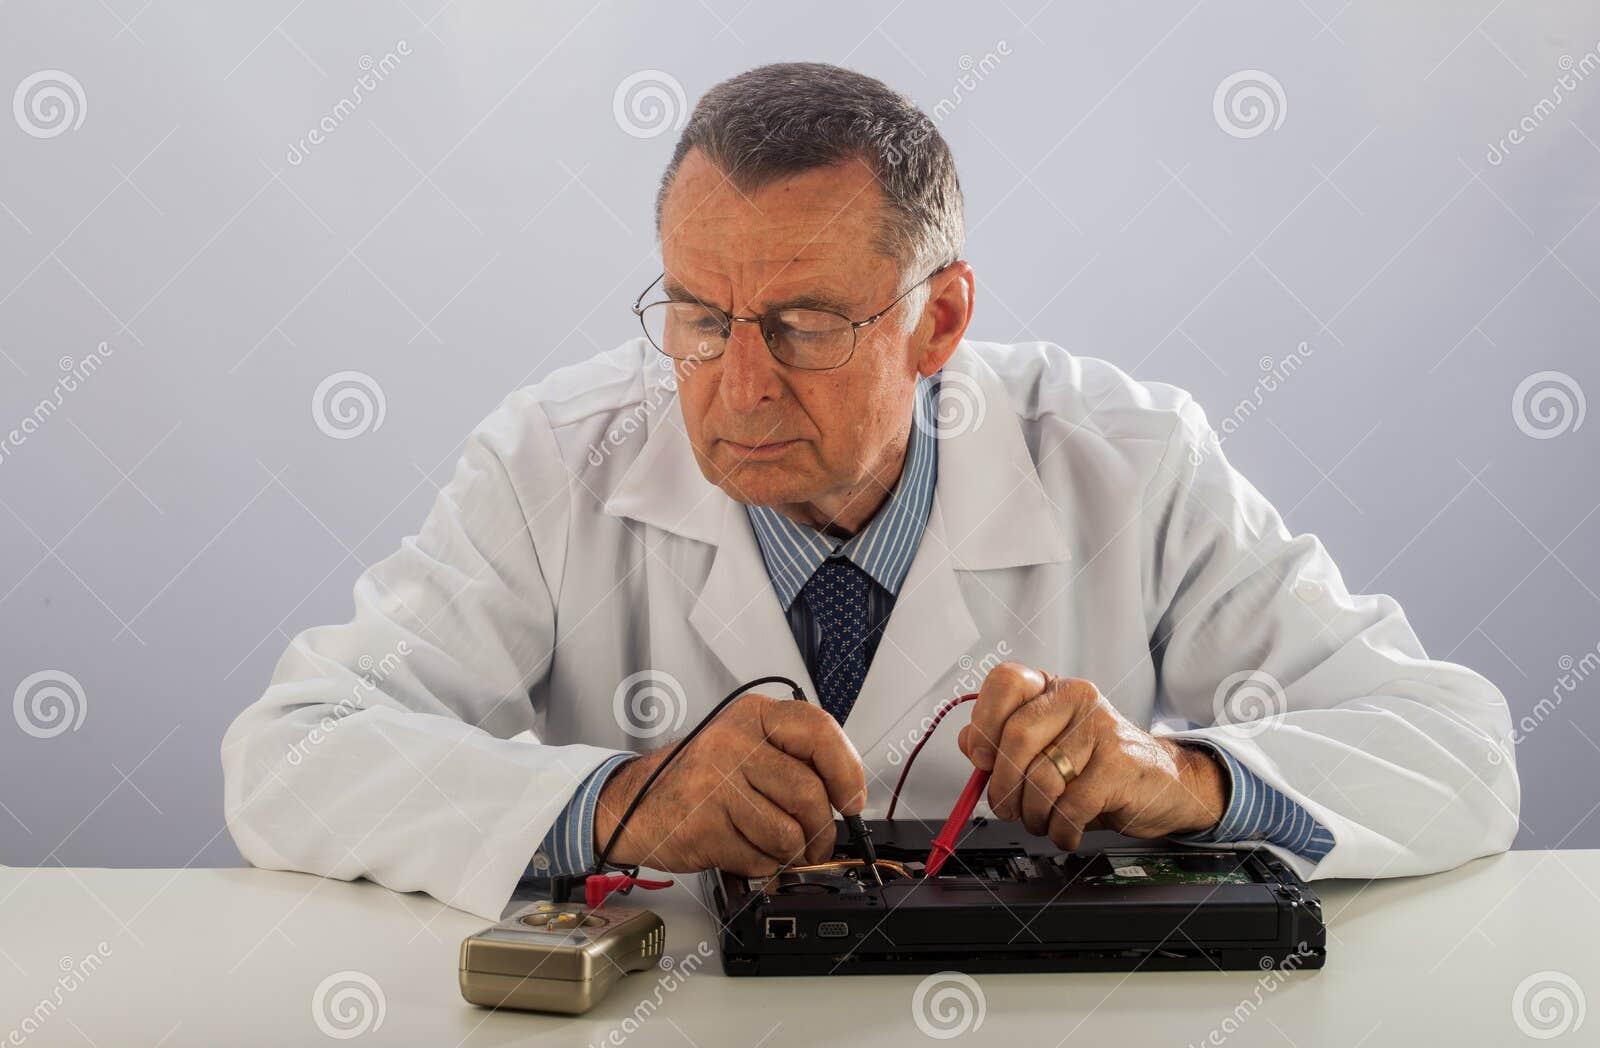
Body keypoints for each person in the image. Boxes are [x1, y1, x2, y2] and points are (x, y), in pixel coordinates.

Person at [222, 63, 1518, 920]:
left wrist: (1185, 777)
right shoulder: (558, 457)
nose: (736, 388)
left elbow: (1458, 750)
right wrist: (619, 802)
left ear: (940, 317)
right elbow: (291, 752)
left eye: (800, 325)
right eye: (695, 314)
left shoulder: (1126, 455)